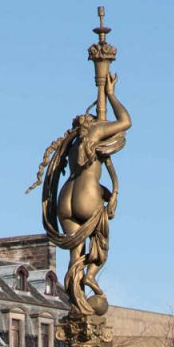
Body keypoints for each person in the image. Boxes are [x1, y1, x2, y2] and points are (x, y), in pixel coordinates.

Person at [28, 73, 131, 316]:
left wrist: (108, 192)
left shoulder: (73, 145)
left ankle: (77, 303)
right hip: (87, 196)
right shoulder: (96, 135)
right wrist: (111, 95)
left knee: (76, 258)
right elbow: (125, 121)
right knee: (100, 247)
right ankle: (91, 278)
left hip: (66, 198)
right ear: (93, 124)